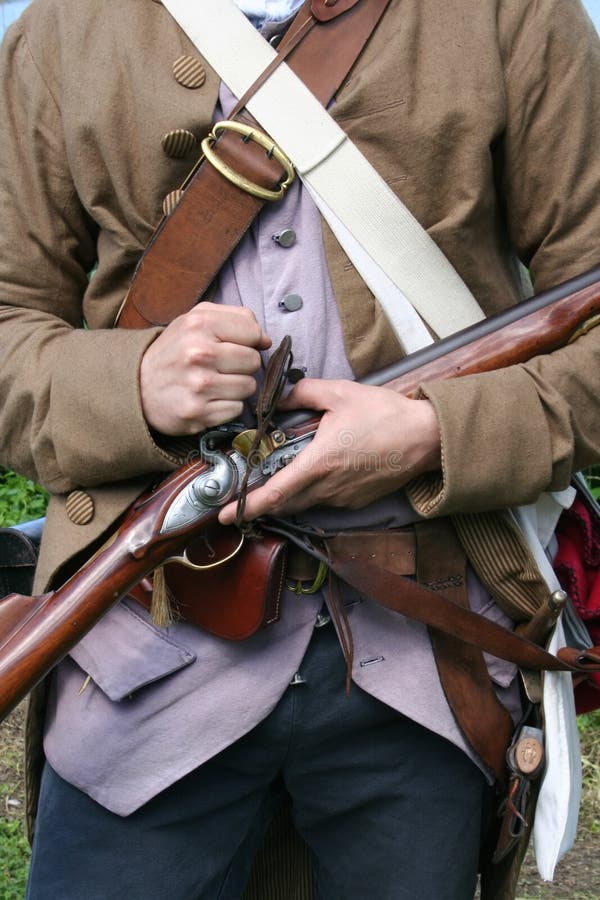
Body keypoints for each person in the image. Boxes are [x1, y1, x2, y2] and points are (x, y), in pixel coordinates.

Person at [0, 0, 599, 897]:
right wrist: (132, 384)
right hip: (141, 652)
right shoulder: (60, 30)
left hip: (430, 660)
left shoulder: (515, 15)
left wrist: (435, 432)